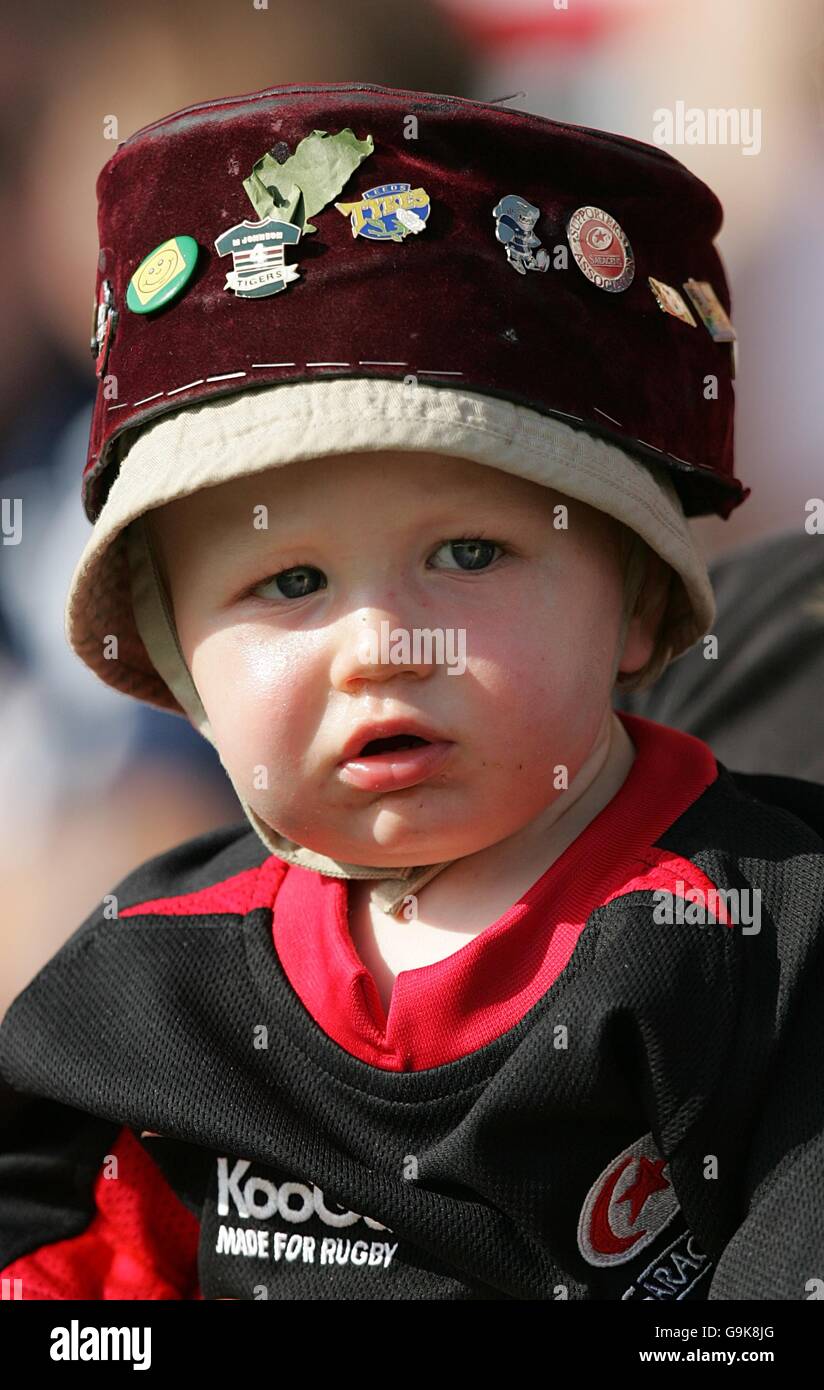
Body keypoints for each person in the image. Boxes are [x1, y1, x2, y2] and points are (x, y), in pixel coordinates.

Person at [0, 81, 822, 1303]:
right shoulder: (143, 980)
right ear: (173, 661)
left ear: (639, 598)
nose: (380, 644)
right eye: (288, 579)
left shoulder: (761, 936)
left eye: (470, 554)